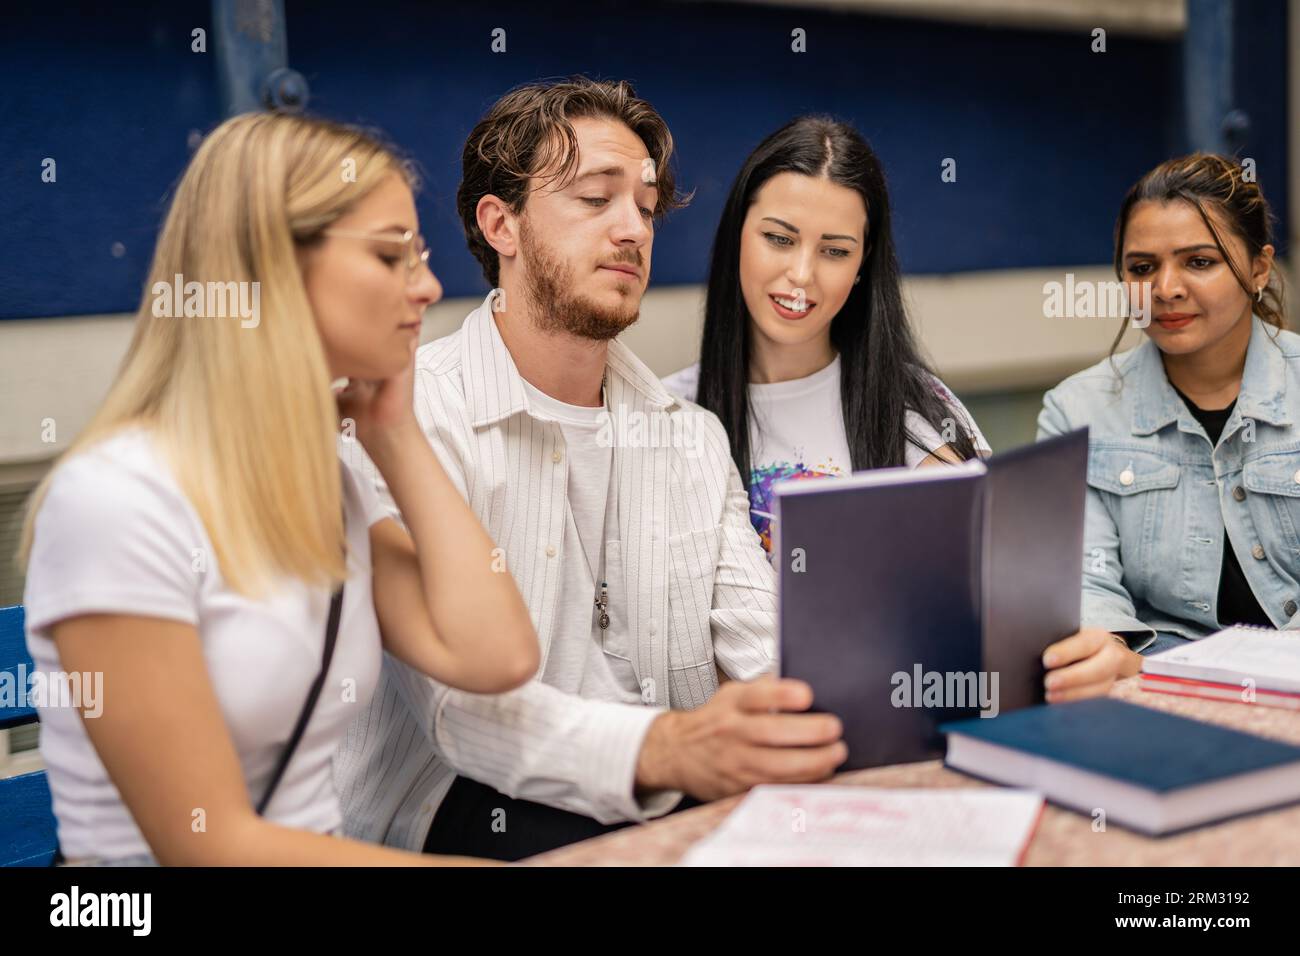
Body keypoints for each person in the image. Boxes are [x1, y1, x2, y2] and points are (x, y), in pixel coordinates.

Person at [336, 78, 846, 861]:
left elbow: (767, 651)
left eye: (644, 208)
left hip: (673, 800)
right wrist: (669, 748)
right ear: (500, 224)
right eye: (594, 199)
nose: (632, 230)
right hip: (454, 816)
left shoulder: (691, 438)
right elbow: (464, 720)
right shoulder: (411, 419)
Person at [18, 111, 539, 865]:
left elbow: (495, 656)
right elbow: (211, 846)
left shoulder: (323, 480)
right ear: (270, 268)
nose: (428, 286)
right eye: (392, 255)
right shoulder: (117, 501)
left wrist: (394, 436)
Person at [662, 116, 990, 556]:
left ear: (862, 264)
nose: (801, 275)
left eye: (835, 251)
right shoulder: (671, 414)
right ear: (737, 233)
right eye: (779, 239)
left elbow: (986, 578)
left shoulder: (916, 410)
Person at [1037, 153, 1293, 702]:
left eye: (1199, 262)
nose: (1165, 288)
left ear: (1258, 268)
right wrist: (1106, 648)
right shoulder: (1076, 411)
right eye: (1142, 267)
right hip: (1155, 684)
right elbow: (1082, 580)